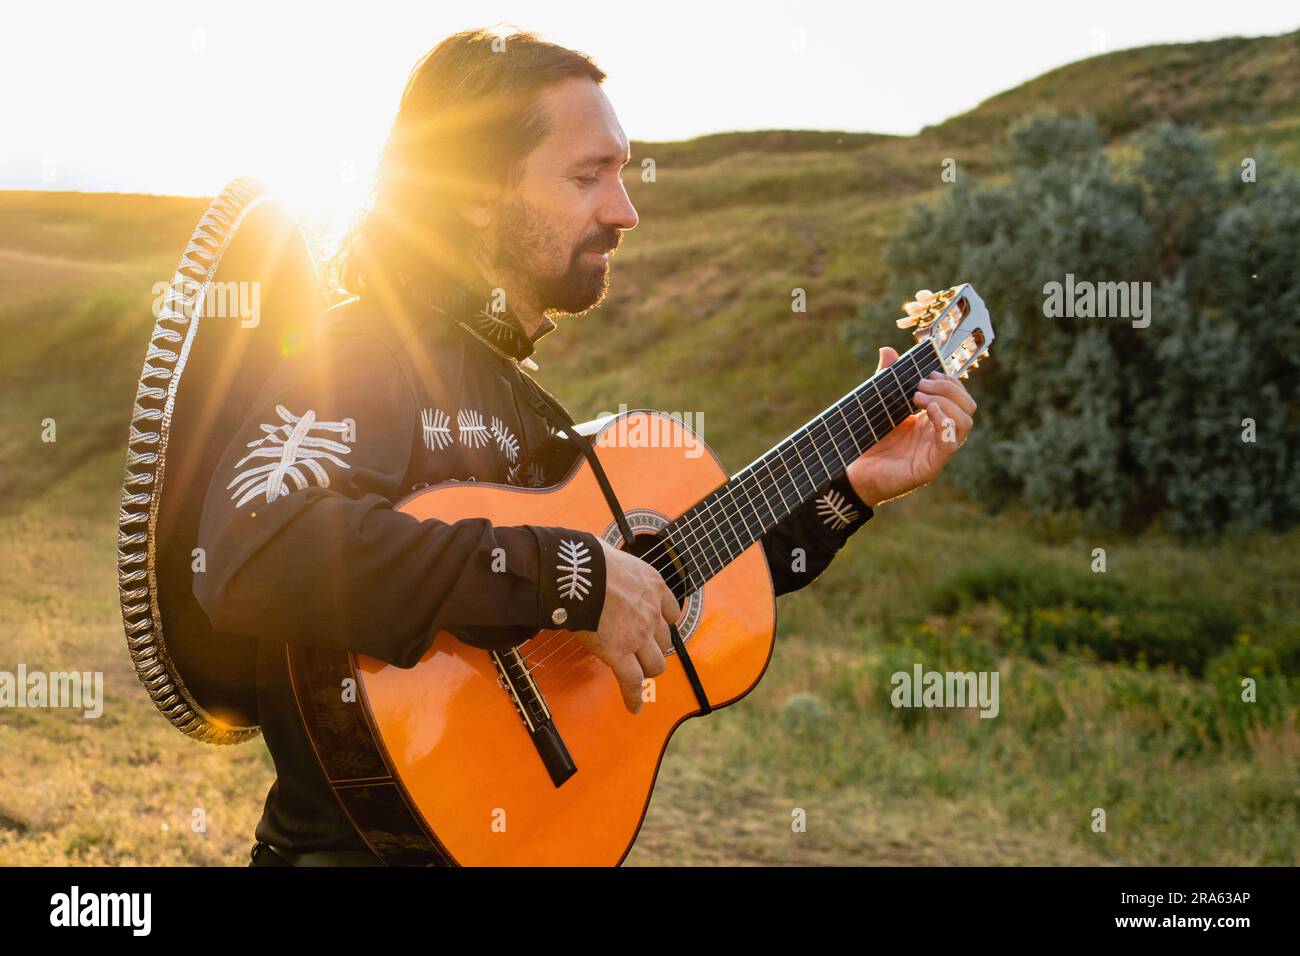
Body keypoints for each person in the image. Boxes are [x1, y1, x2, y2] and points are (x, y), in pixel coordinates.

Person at [191, 27, 978, 867]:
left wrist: (849, 489)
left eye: (624, 173)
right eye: (587, 175)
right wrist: (572, 579)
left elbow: (672, 578)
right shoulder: (363, 352)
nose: (624, 210)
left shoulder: (516, 403)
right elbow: (253, 553)